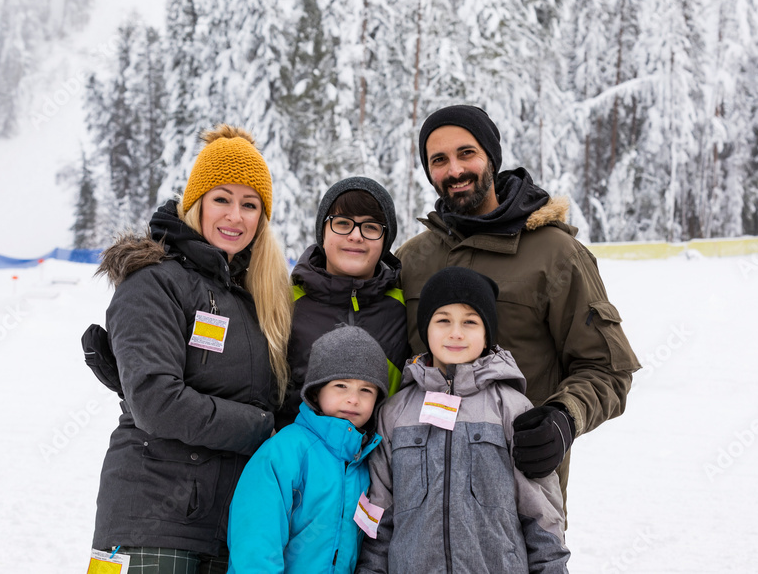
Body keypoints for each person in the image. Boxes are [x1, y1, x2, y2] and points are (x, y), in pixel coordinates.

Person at [395, 104, 641, 506]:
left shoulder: (556, 254)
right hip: (422, 500)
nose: (454, 170)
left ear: (491, 157)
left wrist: (564, 418)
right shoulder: (411, 259)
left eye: (466, 153)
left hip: (518, 500)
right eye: (438, 160)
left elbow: (608, 368)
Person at [89, 124, 292, 573]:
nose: (235, 217)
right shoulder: (154, 281)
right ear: (196, 203)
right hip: (148, 523)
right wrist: (263, 428)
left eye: (249, 204)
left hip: (223, 529)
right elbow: (157, 403)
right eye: (222, 199)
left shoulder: (257, 298)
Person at [356, 266, 570, 574]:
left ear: (487, 336)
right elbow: (379, 516)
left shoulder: (512, 408)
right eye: (443, 320)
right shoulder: (395, 413)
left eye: (470, 322)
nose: (455, 332)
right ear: (425, 330)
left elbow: (542, 514)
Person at [226, 326, 389, 573]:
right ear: (316, 391)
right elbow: (256, 539)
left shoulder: (365, 462)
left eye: (366, 390)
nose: (353, 399)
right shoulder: (286, 451)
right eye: (341, 386)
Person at [277, 177, 409, 429]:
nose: (356, 236)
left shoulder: (403, 308)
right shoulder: (286, 302)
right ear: (322, 234)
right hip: (299, 461)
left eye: (370, 227)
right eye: (342, 224)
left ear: (385, 241)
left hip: (379, 462)